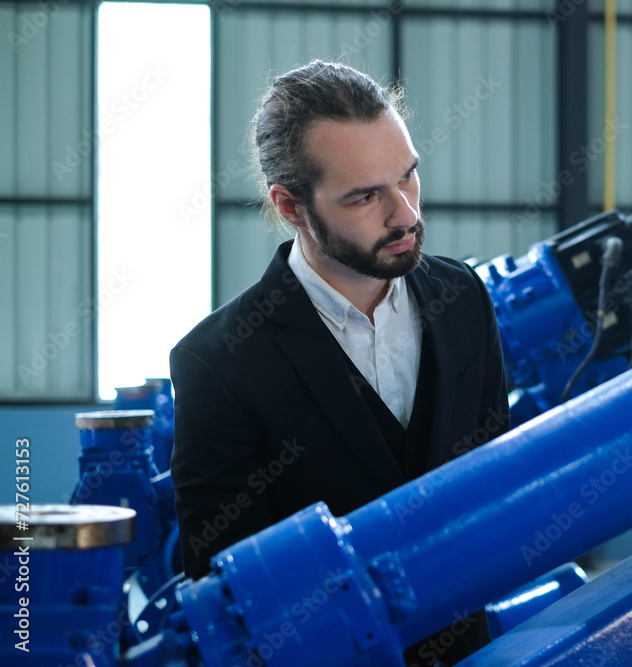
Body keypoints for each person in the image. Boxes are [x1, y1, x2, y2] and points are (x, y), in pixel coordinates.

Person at [169, 60, 509, 664]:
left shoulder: (465, 299)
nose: (405, 214)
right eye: (365, 196)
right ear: (291, 207)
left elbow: (495, 482)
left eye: (408, 178)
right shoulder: (219, 362)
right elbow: (233, 587)